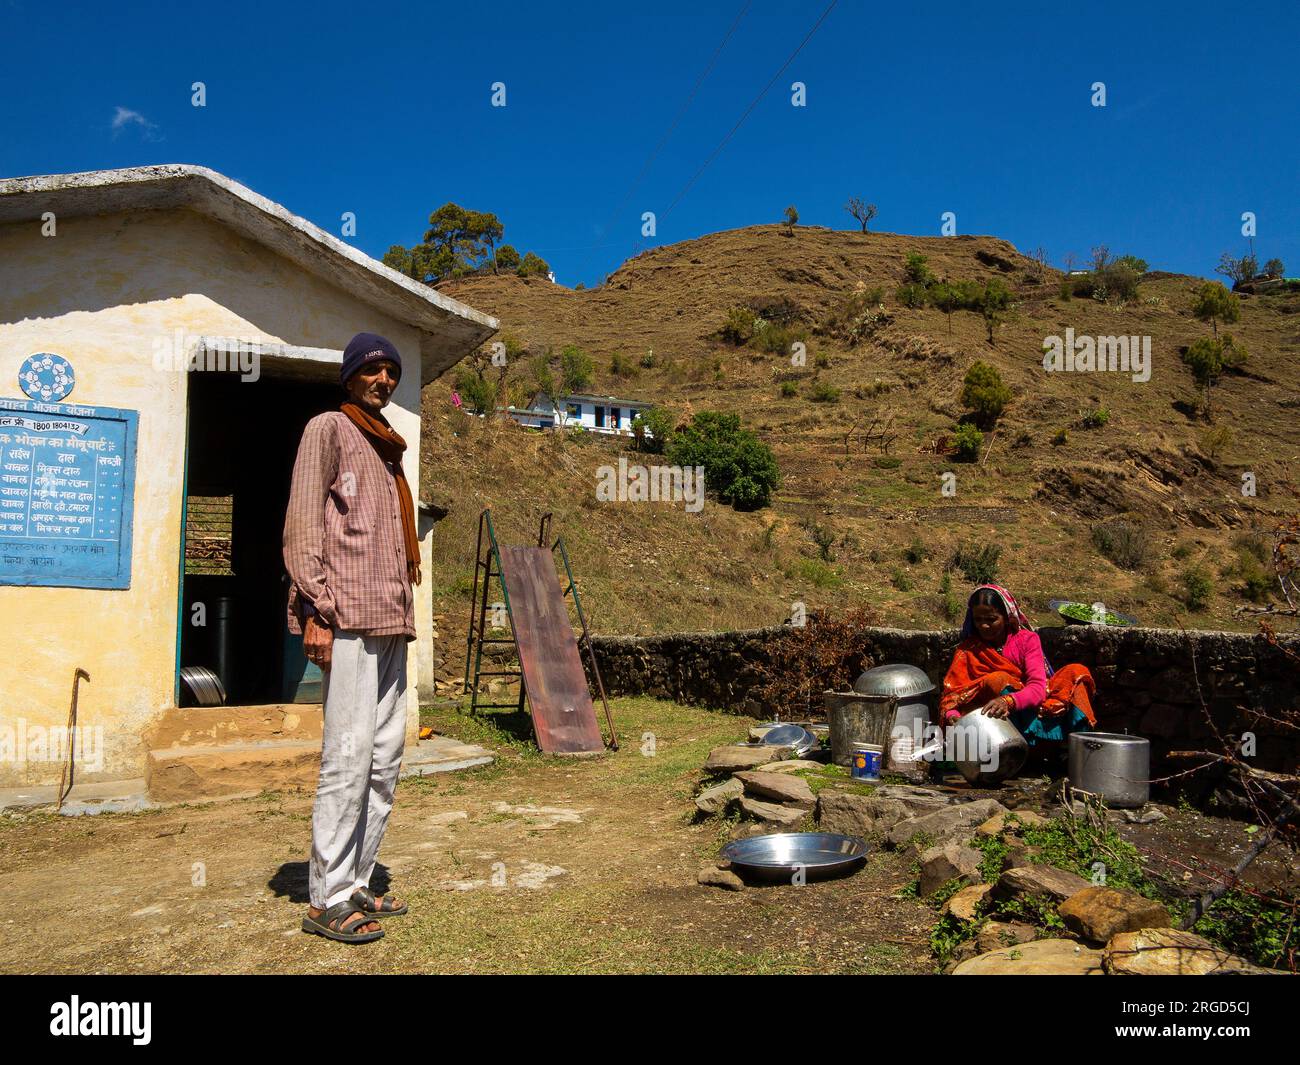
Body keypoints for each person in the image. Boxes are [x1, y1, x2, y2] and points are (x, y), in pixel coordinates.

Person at [283, 332, 422, 944]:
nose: (383, 380)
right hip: (347, 617)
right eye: (372, 370)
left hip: (392, 617)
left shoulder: (388, 448)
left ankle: (359, 878)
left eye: (391, 371)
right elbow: (304, 522)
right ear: (349, 377)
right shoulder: (328, 430)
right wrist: (315, 606)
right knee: (346, 755)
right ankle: (327, 898)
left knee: (385, 758)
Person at [939, 584, 1096, 754]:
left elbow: (1037, 687)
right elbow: (952, 696)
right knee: (996, 680)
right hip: (990, 721)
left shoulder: (1027, 640)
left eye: (991, 619)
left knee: (1076, 672)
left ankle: (1079, 754)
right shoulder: (967, 650)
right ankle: (1014, 752)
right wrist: (952, 715)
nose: (984, 626)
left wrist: (1009, 701)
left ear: (1007, 617)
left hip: (1027, 703)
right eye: (978, 620)